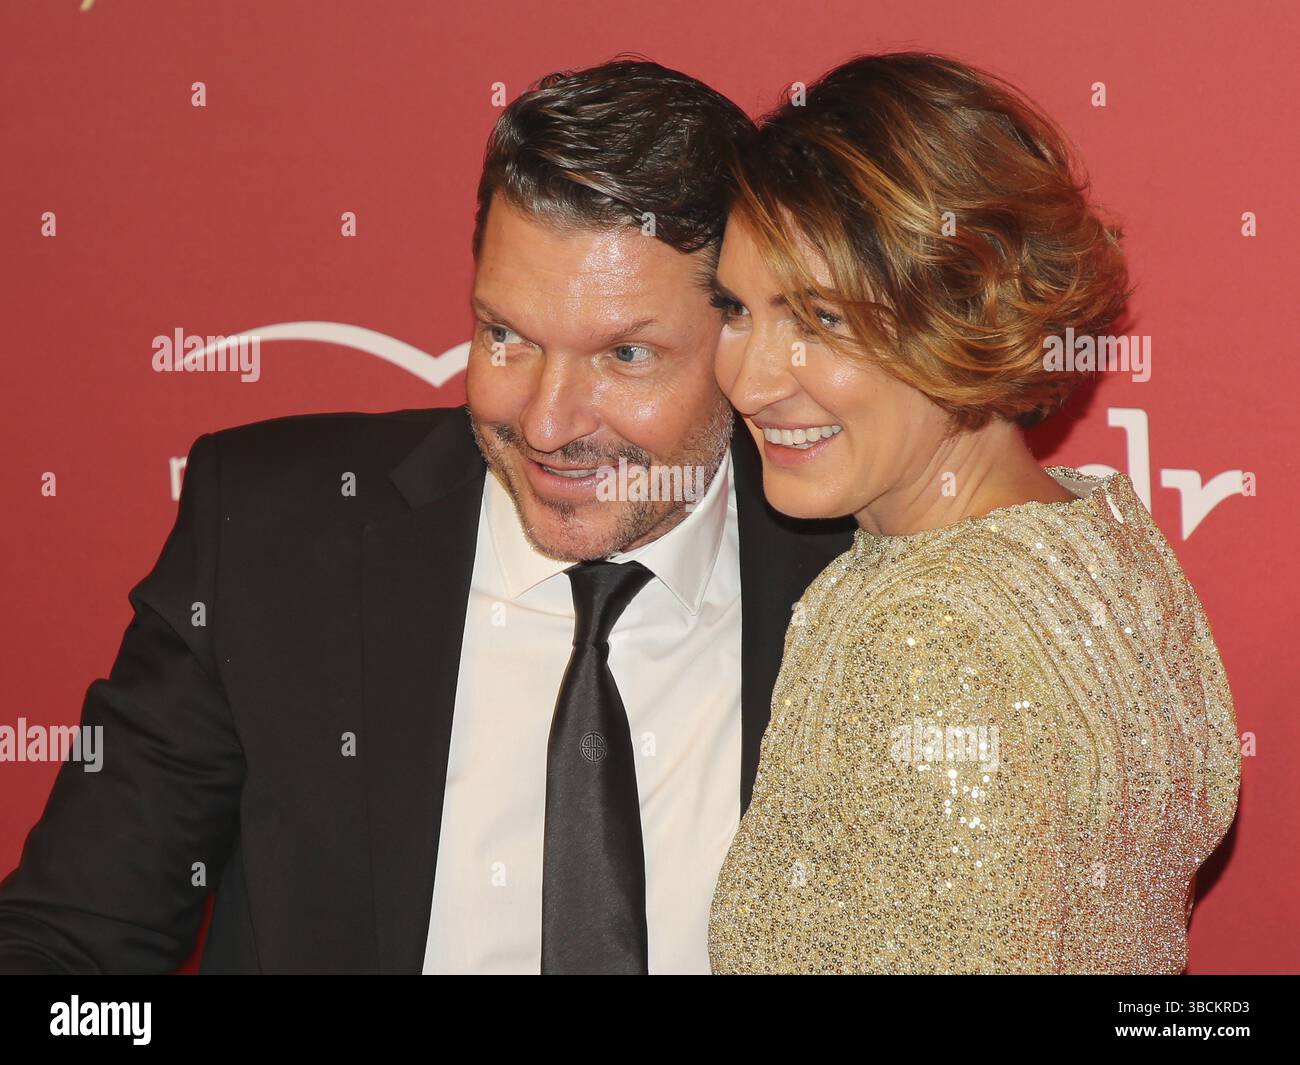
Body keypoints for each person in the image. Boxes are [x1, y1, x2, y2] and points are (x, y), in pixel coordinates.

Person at [0, 59, 854, 974]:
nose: (546, 421)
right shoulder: (270, 538)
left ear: (742, 338)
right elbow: (65, 952)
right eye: (506, 337)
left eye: (627, 354)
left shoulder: (866, 579)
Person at [705, 52, 1241, 974]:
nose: (749, 381)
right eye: (737, 308)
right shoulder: (1100, 537)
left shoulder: (926, 636)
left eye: (820, 320)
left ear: (964, 312)